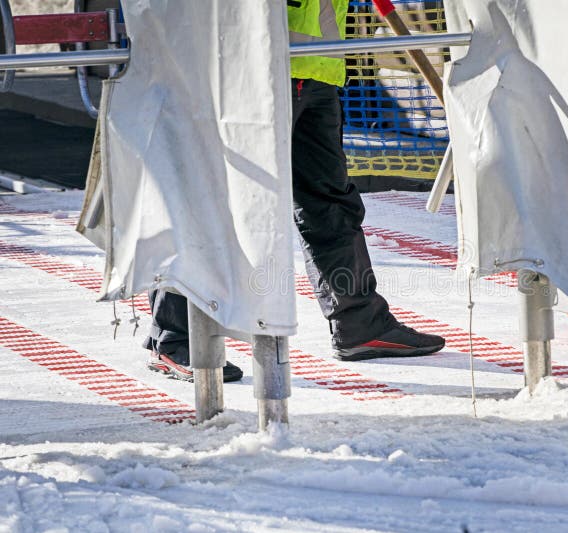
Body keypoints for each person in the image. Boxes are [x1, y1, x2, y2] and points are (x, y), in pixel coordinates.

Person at [145, 0, 445, 382]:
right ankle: (175, 338)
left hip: (317, 67)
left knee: (330, 204)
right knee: (213, 202)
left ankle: (360, 325)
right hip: (248, 70)